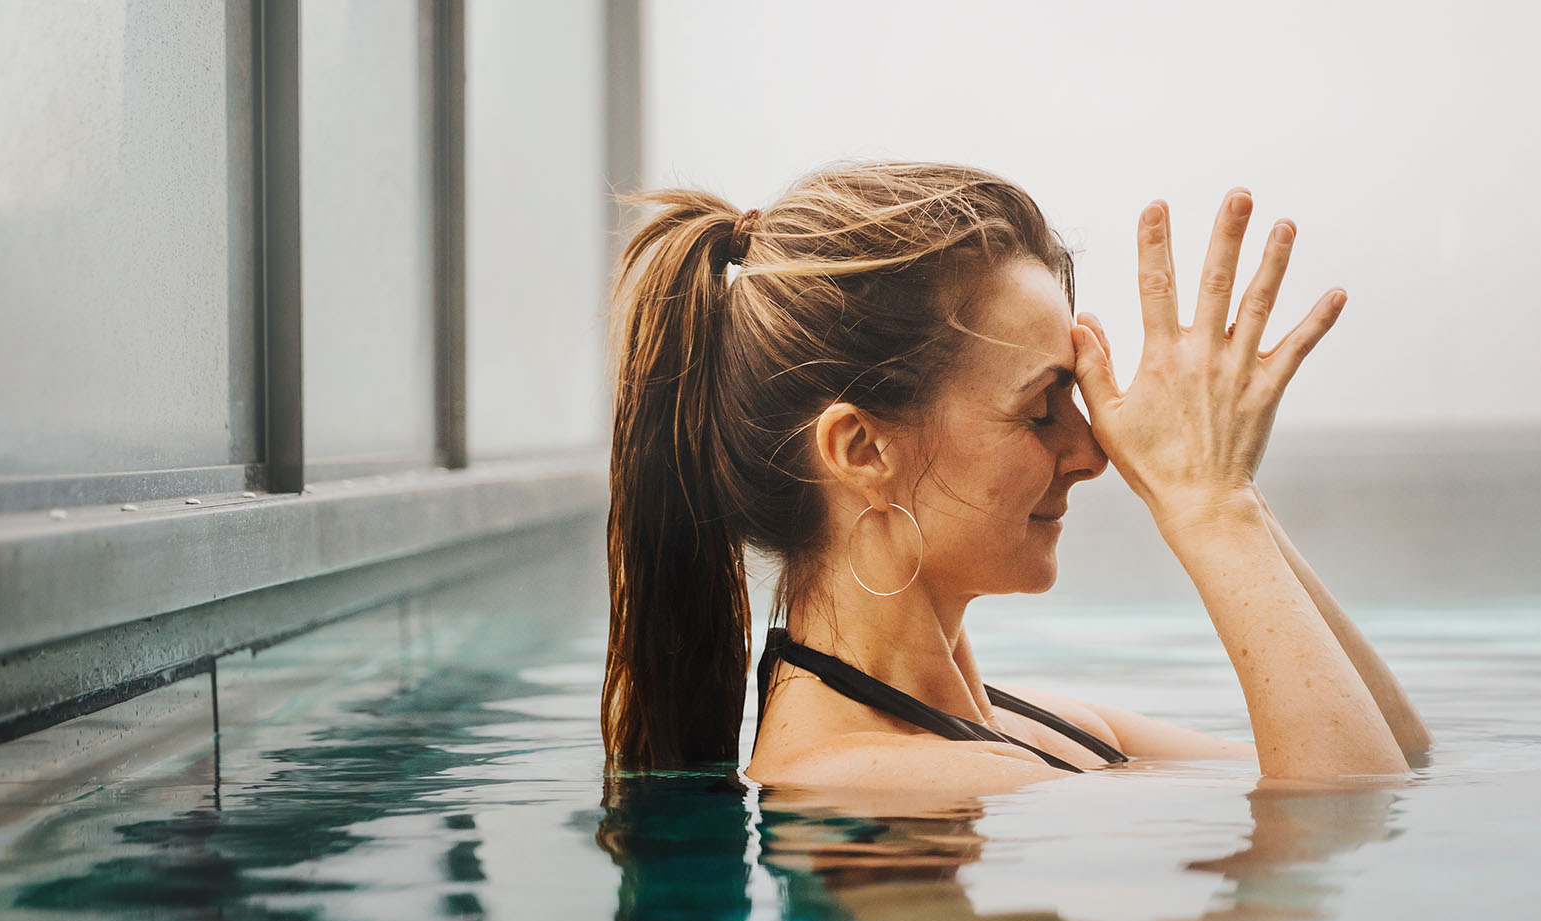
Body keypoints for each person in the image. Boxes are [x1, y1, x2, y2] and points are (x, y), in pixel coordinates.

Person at [602, 160, 1430, 791]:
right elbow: (1342, 816)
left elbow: (1393, 756)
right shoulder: (861, 780)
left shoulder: (1021, 728)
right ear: (861, 450)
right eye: (1042, 409)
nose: (1095, 452)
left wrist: (1227, 488)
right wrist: (1203, 503)